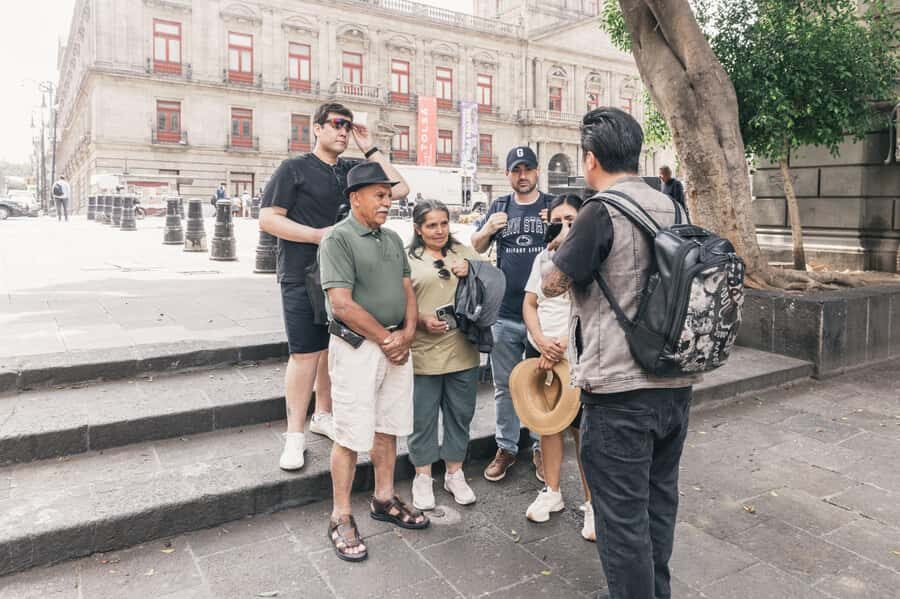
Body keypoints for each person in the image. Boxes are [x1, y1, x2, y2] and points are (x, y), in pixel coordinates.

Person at [541, 108, 699, 599]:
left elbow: (552, 285)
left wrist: (562, 244)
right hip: (674, 384)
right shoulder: (673, 207)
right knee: (657, 508)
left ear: (590, 159)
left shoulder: (599, 211)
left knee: (621, 522)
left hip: (619, 392)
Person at [259, 102, 409, 471]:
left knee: (333, 348)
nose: (343, 131)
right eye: (337, 125)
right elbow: (267, 219)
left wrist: (370, 147)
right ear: (317, 128)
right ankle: (294, 435)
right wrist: (316, 236)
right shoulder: (293, 168)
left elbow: (400, 188)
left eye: (348, 126)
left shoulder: (349, 170)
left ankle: (323, 414)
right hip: (300, 272)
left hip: (345, 277)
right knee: (305, 354)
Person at [319, 161, 427, 562]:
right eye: (380, 195)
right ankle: (340, 514)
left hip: (396, 343)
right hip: (358, 349)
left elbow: (408, 289)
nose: (387, 202)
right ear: (355, 198)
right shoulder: (338, 239)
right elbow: (341, 304)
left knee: (388, 426)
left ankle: (383, 498)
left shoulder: (392, 238)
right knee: (349, 432)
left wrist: (408, 333)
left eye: (388, 194)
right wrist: (386, 338)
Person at [470, 145, 553, 483]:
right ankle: (506, 446)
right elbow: (475, 245)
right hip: (504, 315)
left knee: (542, 383)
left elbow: (574, 242)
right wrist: (489, 228)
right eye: (516, 170)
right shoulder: (499, 206)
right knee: (504, 386)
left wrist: (557, 229)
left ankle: (539, 446)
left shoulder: (551, 206)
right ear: (508, 174)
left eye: (528, 169)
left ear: (536, 172)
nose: (522, 176)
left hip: (543, 317)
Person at [521, 193, 594, 541]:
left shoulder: (589, 258)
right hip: (540, 353)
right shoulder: (541, 258)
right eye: (558, 220)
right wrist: (539, 340)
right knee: (547, 425)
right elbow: (530, 303)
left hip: (574, 355)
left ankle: (592, 503)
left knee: (582, 433)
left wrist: (562, 344)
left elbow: (591, 311)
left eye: (571, 221)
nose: (563, 227)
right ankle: (552, 491)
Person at [406, 199, 482, 510]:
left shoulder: (463, 251)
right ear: (418, 229)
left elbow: (492, 283)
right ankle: (422, 477)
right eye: (431, 225)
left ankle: (454, 473)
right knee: (422, 418)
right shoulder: (407, 259)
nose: (439, 230)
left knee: (460, 414)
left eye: (443, 223)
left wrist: (473, 269)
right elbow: (398, 301)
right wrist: (422, 320)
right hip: (424, 351)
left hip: (462, 348)